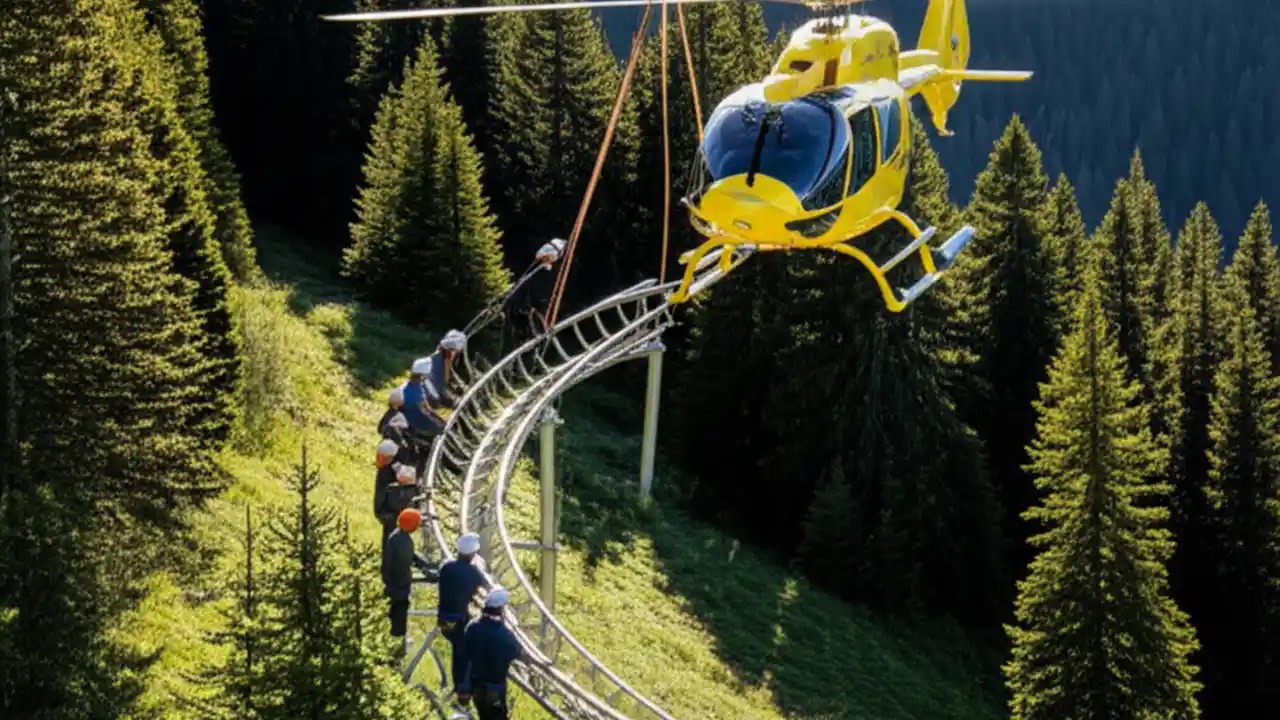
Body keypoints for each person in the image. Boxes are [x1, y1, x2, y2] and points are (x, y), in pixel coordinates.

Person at [456, 586, 523, 720]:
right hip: (495, 689)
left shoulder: (472, 627)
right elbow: (517, 651)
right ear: (501, 609)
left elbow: (465, 654)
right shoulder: (504, 635)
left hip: (477, 687)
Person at [436, 532, 487, 691]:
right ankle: (463, 688)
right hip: (460, 620)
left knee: (458, 650)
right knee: (464, 652)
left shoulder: (446, 567)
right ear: (473, 553)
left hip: (443, 620)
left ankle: (460, 686)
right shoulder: (474, 573)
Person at [382, 508, 434, 640]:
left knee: (397, 613)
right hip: (399, 587)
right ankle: (397, 641)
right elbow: (409, 559)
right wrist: (428, 572)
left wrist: (424, 564)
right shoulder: (401, 541)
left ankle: (396, 639)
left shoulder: (399, 535)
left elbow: (412, 556)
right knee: (399, 619)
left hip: (395, 584)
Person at [503, 239, 564, 348]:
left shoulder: (546, 272)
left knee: (530, 338)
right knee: (517, 336)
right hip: (522, 308)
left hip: (532, 308)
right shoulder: (534, 269)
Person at [373, 439, 400, 549]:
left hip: (390, 511)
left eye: (383, 458)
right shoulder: (386, 469)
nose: (379, 460)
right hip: (386, 510)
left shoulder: (395, 469)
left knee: (390, 538)